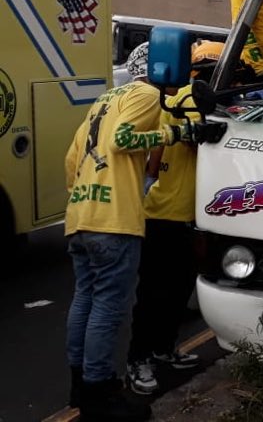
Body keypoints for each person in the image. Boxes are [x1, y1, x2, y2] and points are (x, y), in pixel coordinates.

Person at [64, 43, 202, 422]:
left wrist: (85, 197)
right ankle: (100, 393)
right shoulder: (147, 93)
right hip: (115, 220)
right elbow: (122, 141)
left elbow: (72, 160)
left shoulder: (104, 100)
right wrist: (175, 136)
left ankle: (80, 384)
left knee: (84, 300)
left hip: (81, 215)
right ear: (163, 68)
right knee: (108, 307)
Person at [125, 41, 223, 395]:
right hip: (163, 212)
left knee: (179, 289)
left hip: (189, 212)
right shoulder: (183, 99)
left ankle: (164, 350)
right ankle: (138, 360)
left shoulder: (191, 98)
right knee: (153, 292)